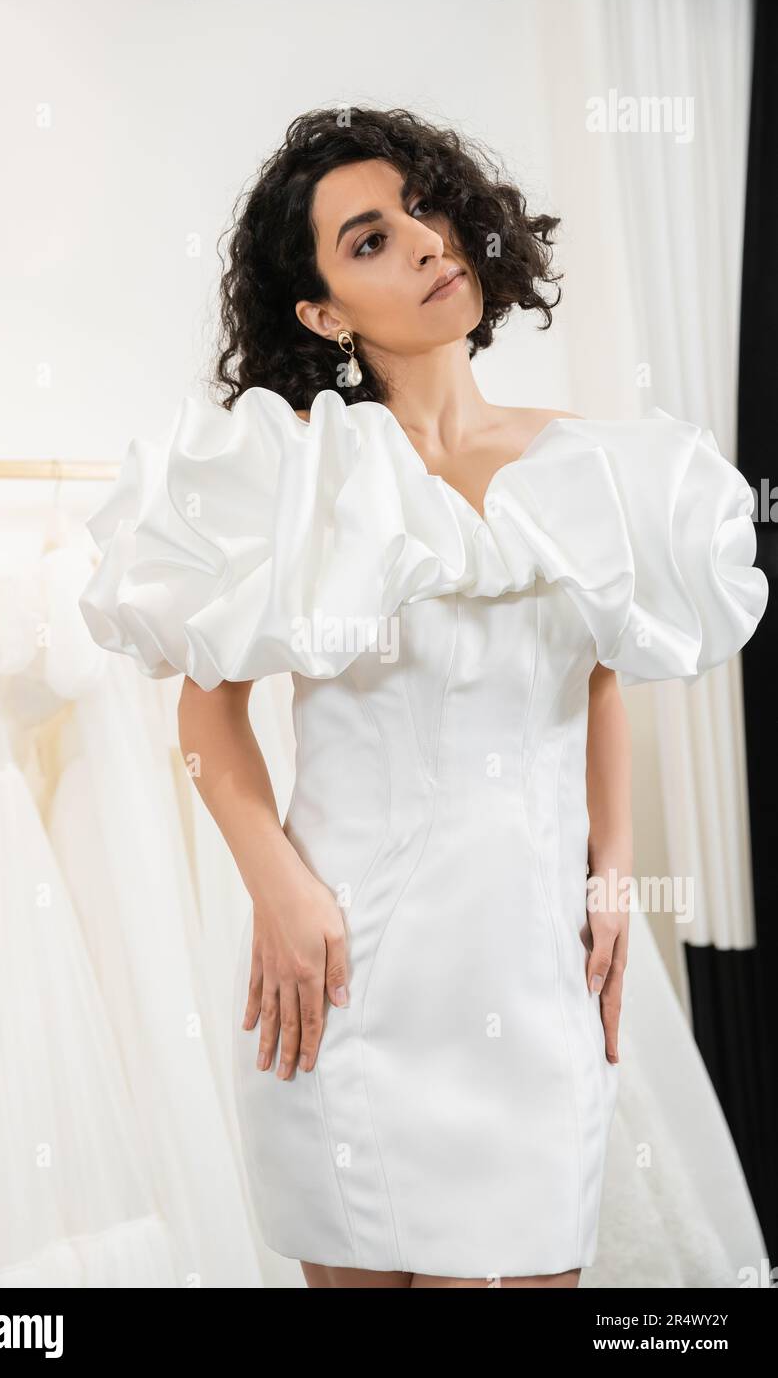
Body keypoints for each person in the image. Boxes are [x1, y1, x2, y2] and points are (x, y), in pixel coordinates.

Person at [78, 106, 768, 1289]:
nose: (421, 239)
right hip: (345, 972)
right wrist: (280, 889)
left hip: (526, 972)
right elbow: (205, 716)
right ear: (321, 313)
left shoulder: (599, 463)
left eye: (422, 207)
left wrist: (611, 868)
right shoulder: (299, 476)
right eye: (366, 239)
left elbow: (604, 667)